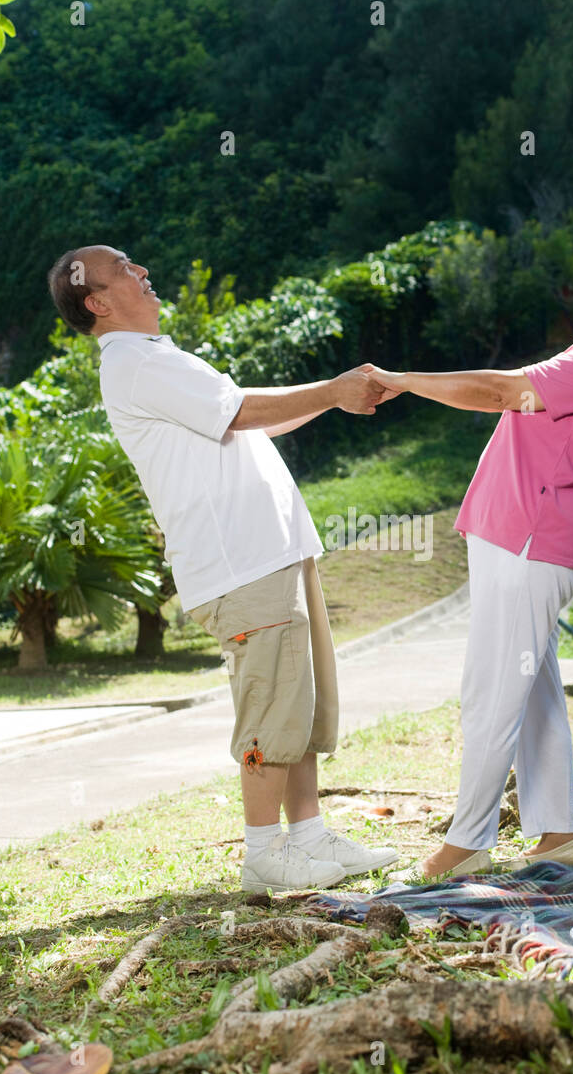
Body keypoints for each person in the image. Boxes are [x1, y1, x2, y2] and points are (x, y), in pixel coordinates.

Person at [47, 245, 400, 892]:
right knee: (271, 706)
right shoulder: (131, 362)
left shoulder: (157, 358)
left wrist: (334, 399)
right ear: (96, 302)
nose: (143, 272)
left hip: (271, 552)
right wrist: (334, 388)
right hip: (241, 564)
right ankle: (265, 855)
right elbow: (238, 411)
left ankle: (310, 837)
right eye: (124, 269)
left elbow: (245, 415)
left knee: (298, 701)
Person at [367, 261, 573, 879]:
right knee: (535, 691)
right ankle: (557, 835)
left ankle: (468, 841)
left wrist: (402, 381)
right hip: (524, 539)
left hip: (532, 541)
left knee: (492, 689)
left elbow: (501, 391)